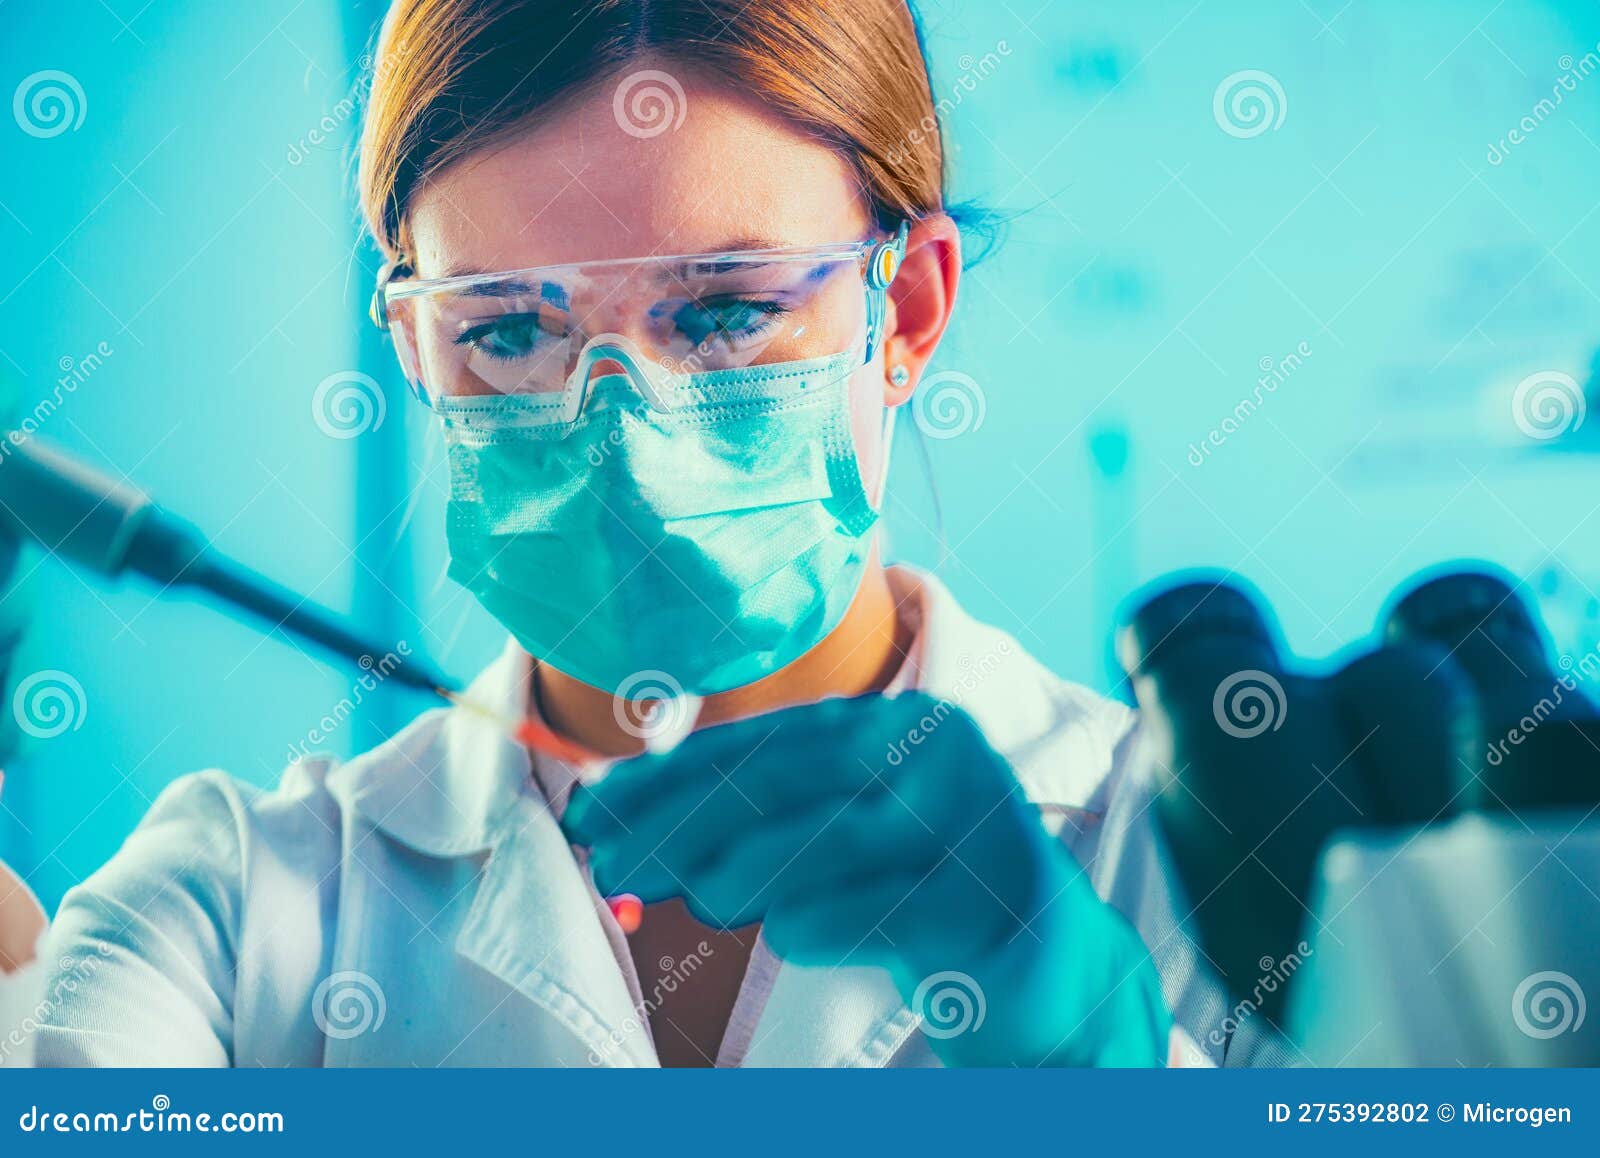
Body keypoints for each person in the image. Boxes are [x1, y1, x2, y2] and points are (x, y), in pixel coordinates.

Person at [35, 0, 1281, 1068]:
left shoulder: (1216, 870)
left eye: (727, 312)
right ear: (415, 349)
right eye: (509, 332)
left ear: (903, 308)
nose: (621, 437)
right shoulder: (232, 911)